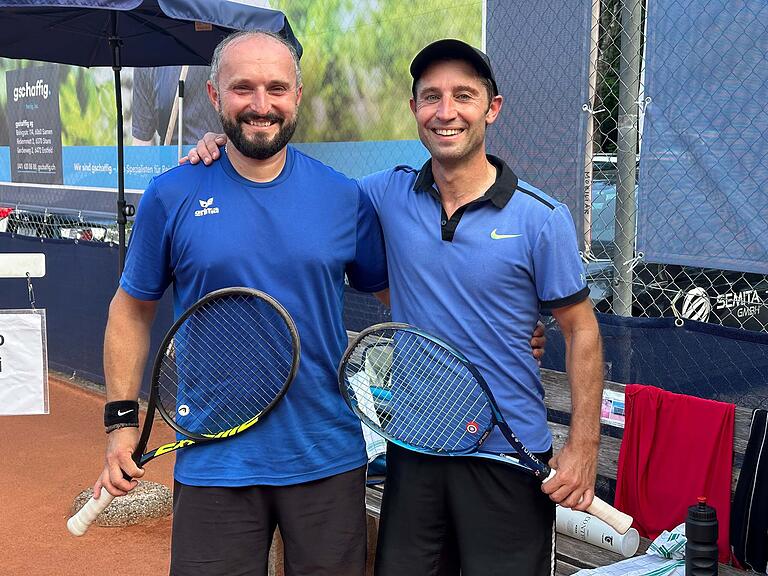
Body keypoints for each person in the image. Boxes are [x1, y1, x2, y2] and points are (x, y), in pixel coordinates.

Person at [187, 38, 603, 576]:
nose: (446, 112)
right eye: (431, 97)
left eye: (464, 96)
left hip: (508, 454)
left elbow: (582, 331)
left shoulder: (543, 218)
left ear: (491, 108)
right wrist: (222, 149)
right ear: (414, 110)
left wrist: (583, 445)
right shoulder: (383, 194)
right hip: (415, 454)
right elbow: (294, 188)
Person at [97, 31, 388, 576]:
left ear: (297, 96)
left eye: (277, 88)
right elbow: (130, 309)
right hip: (215, 462)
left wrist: (503, 331)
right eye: (242, 88)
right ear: (213, 95)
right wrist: (120, 421)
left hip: (325, 456)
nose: (261, 105)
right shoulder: (172, 192)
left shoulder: (344, 197)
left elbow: (402, 297)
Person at [132, 66, 222, 145]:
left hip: (216, 155)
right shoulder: (146, 63)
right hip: (169, 157)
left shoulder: (222, 54)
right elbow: (141, 139)